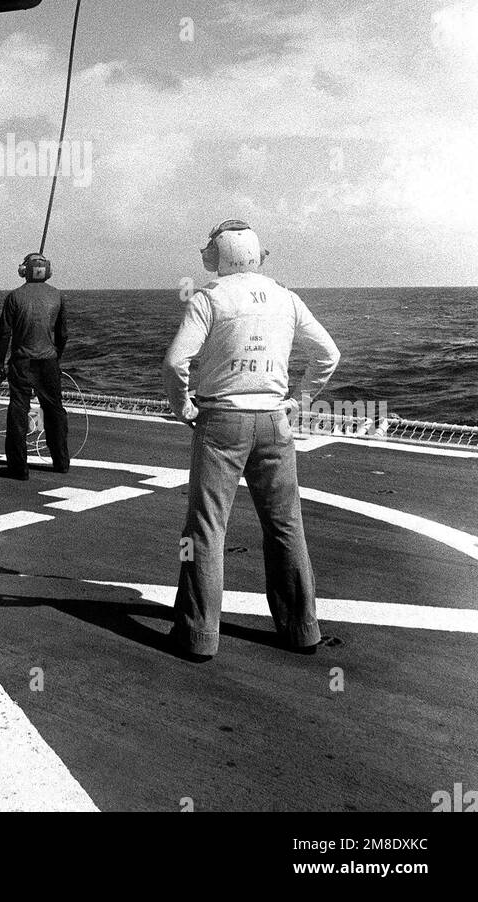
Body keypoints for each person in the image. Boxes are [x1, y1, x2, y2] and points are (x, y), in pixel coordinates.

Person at [163, 219, 340, 662]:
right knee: (285, 525)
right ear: (258, 255)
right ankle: (302, 629)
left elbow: (175, 361)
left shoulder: (210, 298)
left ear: (217, 257)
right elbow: (328, 354)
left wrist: (182, 405)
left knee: (206, 528)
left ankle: (198, 635)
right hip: (275, 422)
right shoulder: (286, 297)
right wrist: (299, 402)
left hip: (222, 421)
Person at [0, 252, 70, 480]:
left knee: (18, 410)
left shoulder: (14, 297)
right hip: (48, 362)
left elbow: (3, 334)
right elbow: (63, 334)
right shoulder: (57, 296)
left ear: (24, 271)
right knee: (55, 410)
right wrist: (57, 357)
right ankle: (62, 462)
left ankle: (18, 468)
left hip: (22, 363)